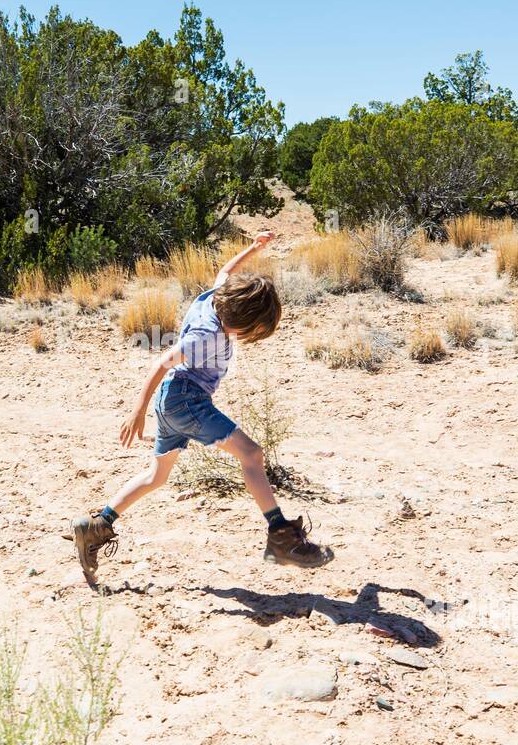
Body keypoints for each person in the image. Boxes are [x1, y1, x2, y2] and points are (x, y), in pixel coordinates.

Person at [71, 230, 333, 587]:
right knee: (252, 456)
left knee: (156, 477)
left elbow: (225, 271)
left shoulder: (215, 297)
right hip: (185, 399)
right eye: (251, 331)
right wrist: (137, 411)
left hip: (172, 400)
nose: (249, 336)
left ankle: (97, 526)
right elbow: (163, 361)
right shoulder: (207, 336)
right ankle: (280, 536)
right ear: (238, 321)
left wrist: (254, 249)